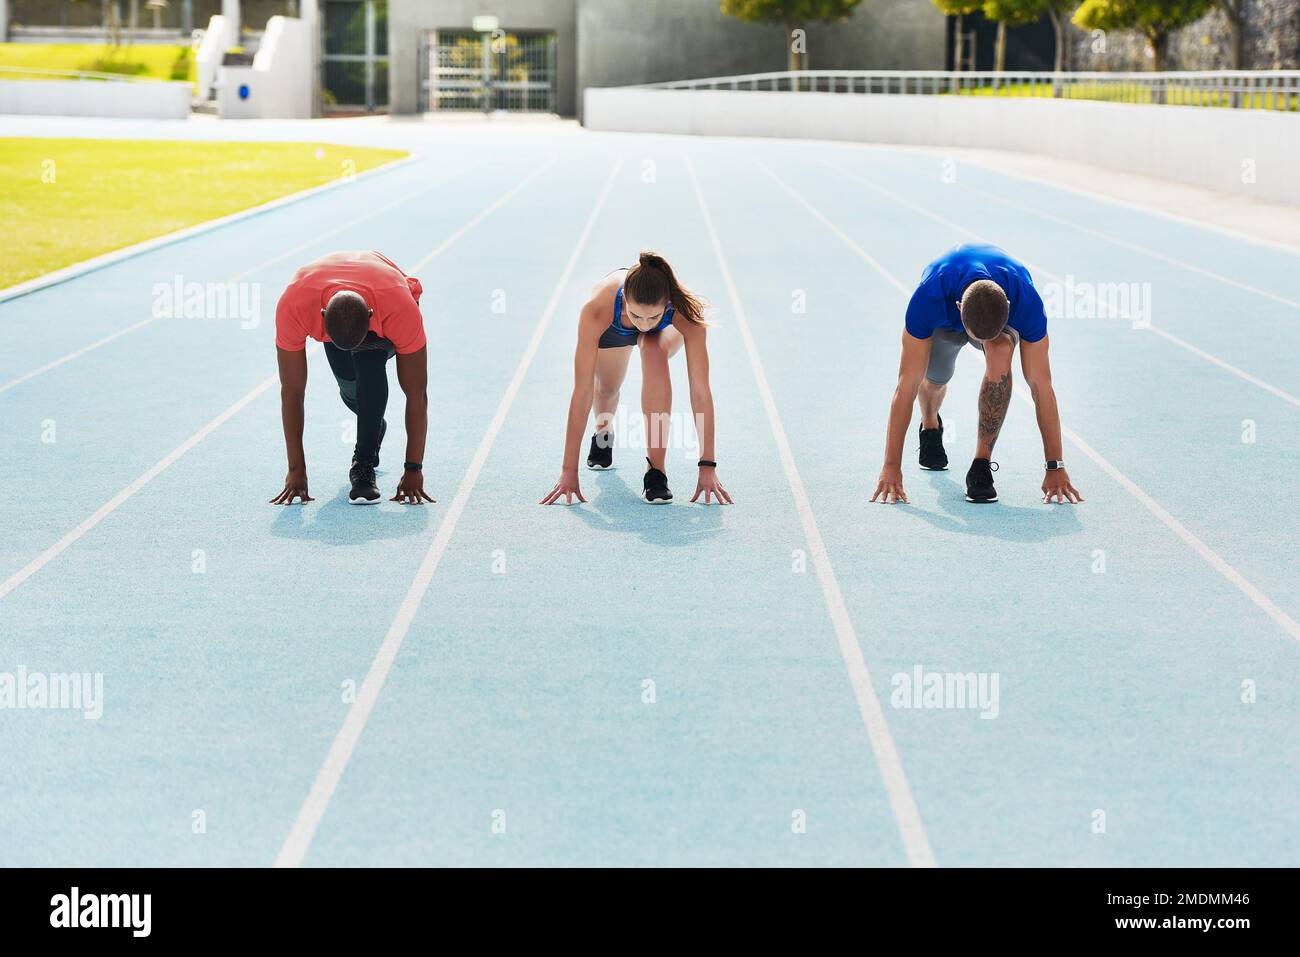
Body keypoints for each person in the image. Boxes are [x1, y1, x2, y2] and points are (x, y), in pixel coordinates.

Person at [871, 243, 1082, 506]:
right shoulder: (928, 299)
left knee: (1001, 349)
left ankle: (981, 463)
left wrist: (1055, 465)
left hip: (992, 313)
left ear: (1008, 305)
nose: (983, 343)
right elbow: (905, 386)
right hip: (944, 316)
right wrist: (891, 466)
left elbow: (1042, 386)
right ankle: (929, 424)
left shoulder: (1026, 301)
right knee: (934, 378)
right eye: (978, 338)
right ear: (958, 307)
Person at [540, 252, 732, 506]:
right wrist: (568, 472)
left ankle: (656, 473)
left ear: (667, 304)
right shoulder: (598, 309)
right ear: (625, 300)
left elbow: (700, 391)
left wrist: (707, 465)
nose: (644, 324)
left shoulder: (685, 312)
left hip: (663, 334)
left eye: (653, 317)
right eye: (636, 316)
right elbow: (582, 391)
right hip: (614, 329)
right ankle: (603, 431)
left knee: (653, 349)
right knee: (606, 390)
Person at [270, 250, 434, 506]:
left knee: (368, 361)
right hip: (334, 307)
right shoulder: (294, 305)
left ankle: (363, 467)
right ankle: (373, 423)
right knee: (351, 391)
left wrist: (414, 468)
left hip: (385, 300)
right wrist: (295, 470)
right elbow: (291, 391)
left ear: (370, 315)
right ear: (322, 316)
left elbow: (416, 393)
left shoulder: (400, 309)